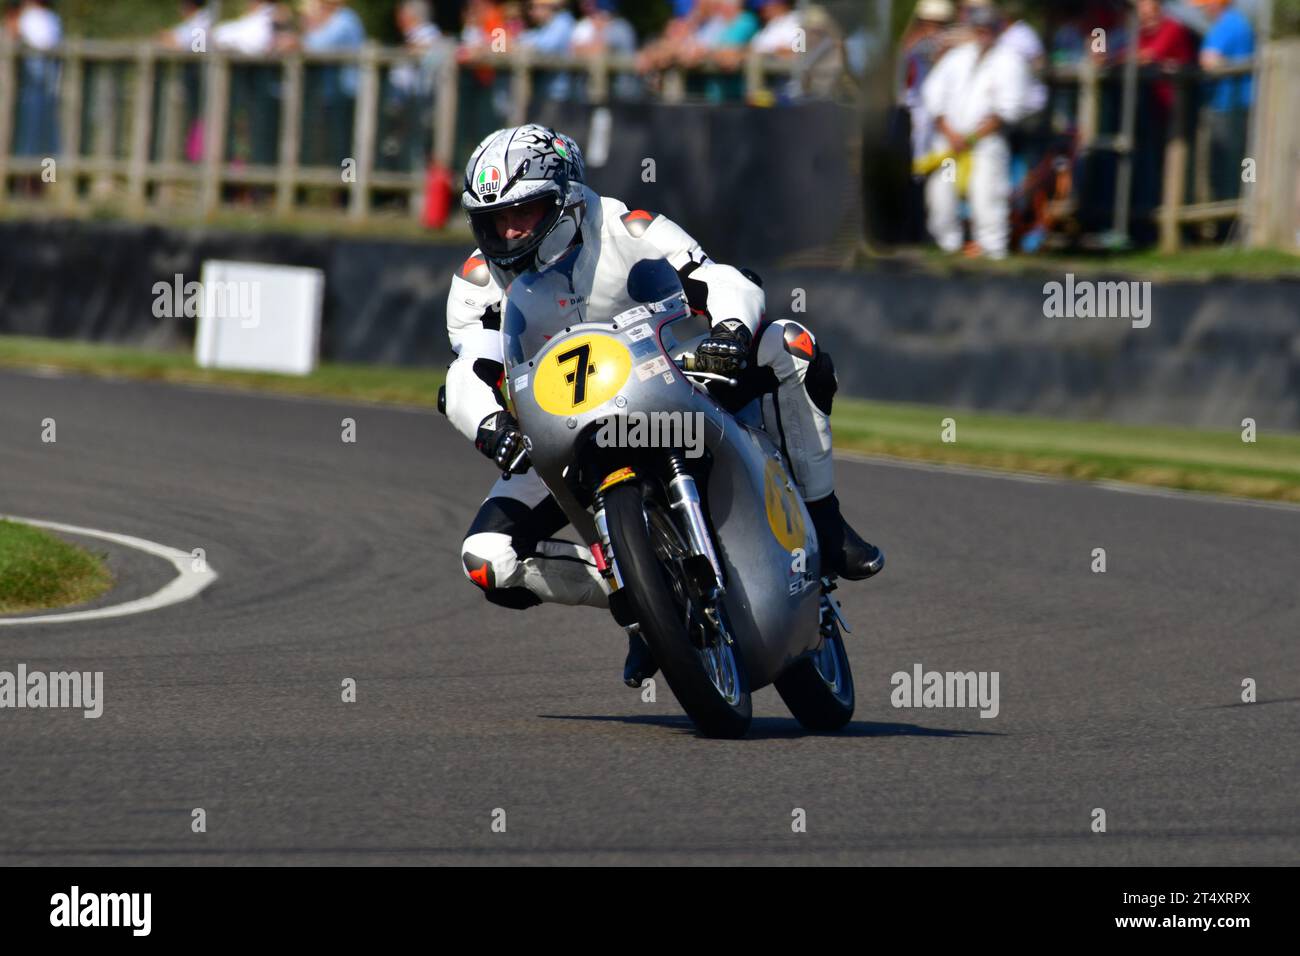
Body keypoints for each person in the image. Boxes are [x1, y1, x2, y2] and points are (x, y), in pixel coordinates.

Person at [444, 124, 884, 687]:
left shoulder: (629, 226)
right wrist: (491, 428)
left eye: (523, 214)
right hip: (559, 429)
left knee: (790, 346)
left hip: (671, 379)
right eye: (492, 220)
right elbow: (466, 371)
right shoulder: (477, 283)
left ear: (566, 200)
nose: (507, 232)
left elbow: (718, 277)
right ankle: (647, 608)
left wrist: (728, 331)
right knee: (487, 557)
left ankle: (825, 519)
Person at [921, 5, 1032, 259]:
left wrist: (971, 137)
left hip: (985, 146)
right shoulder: (957, 57)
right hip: (950, 145)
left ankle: (992, 249)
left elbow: (1008, 109)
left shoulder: (1010, 61)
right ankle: (946, 245)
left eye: (988, 28)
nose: (983, 33)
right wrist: (950, 133)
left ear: (997, 29)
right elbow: (933, 95)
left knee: (986, 196)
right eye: (979, 28)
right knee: (941, 194)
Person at [1194, 0, 1254, 202]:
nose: (1201, 9)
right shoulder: (1237, 23)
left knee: (1228, 166)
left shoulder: (1228, 24)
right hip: (1235, 105)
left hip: (1229, 106)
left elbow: (1208, 60)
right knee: (1240, 162)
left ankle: (1229, 220)